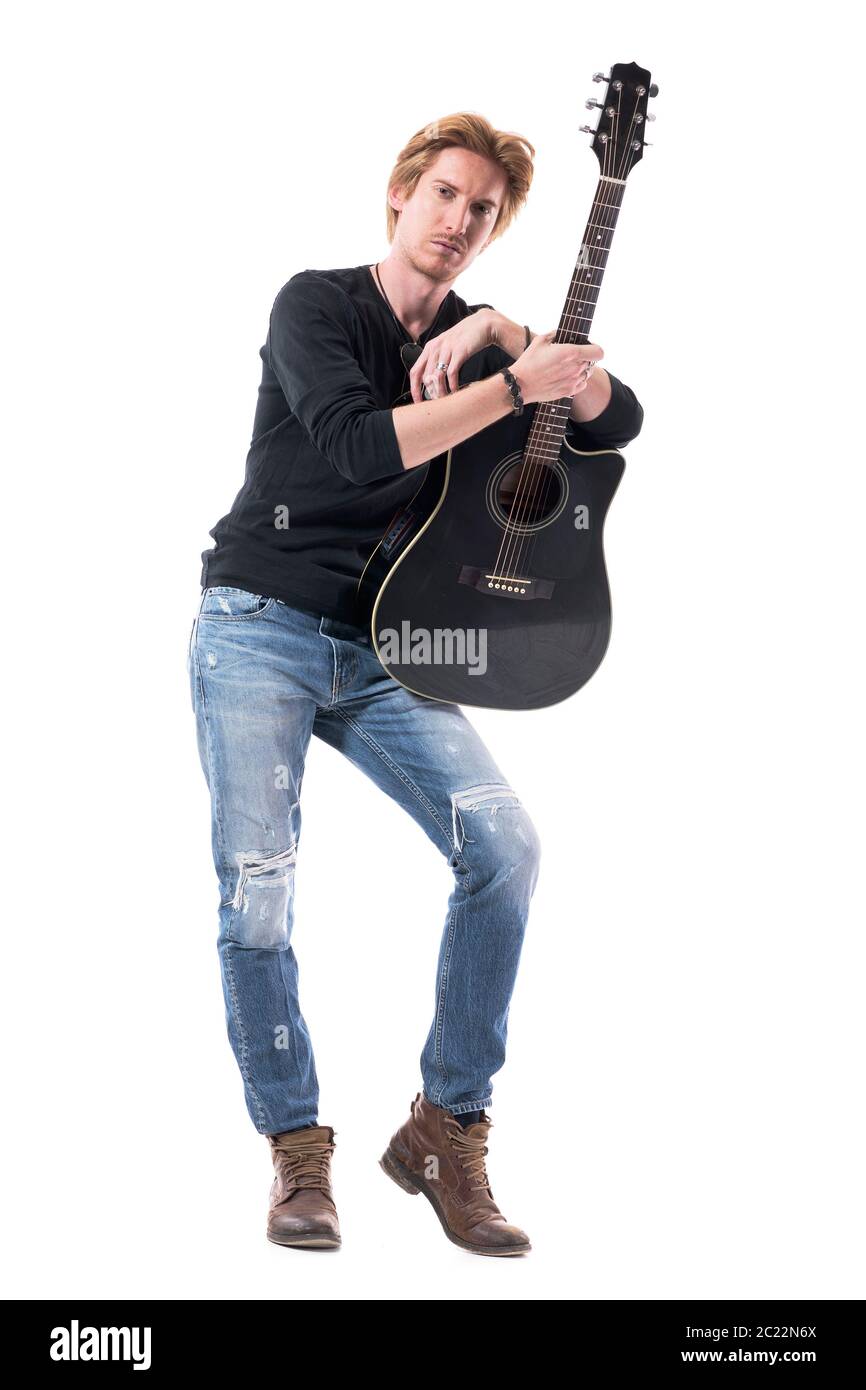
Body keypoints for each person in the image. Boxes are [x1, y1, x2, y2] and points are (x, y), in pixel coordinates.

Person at [188, 112, 644, 1257]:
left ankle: (446, 1126)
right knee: (259, 889)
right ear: (399, 194)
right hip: (259, 623)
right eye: (443, 193)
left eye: (482, 211)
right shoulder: (314, 303)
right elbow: (355, 446)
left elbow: (614, 420)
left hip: (394, 640)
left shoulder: (486, 337)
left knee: (505, 848)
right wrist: (508, 379)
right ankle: (297, 1153)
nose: (457, 220)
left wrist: (507, 334)